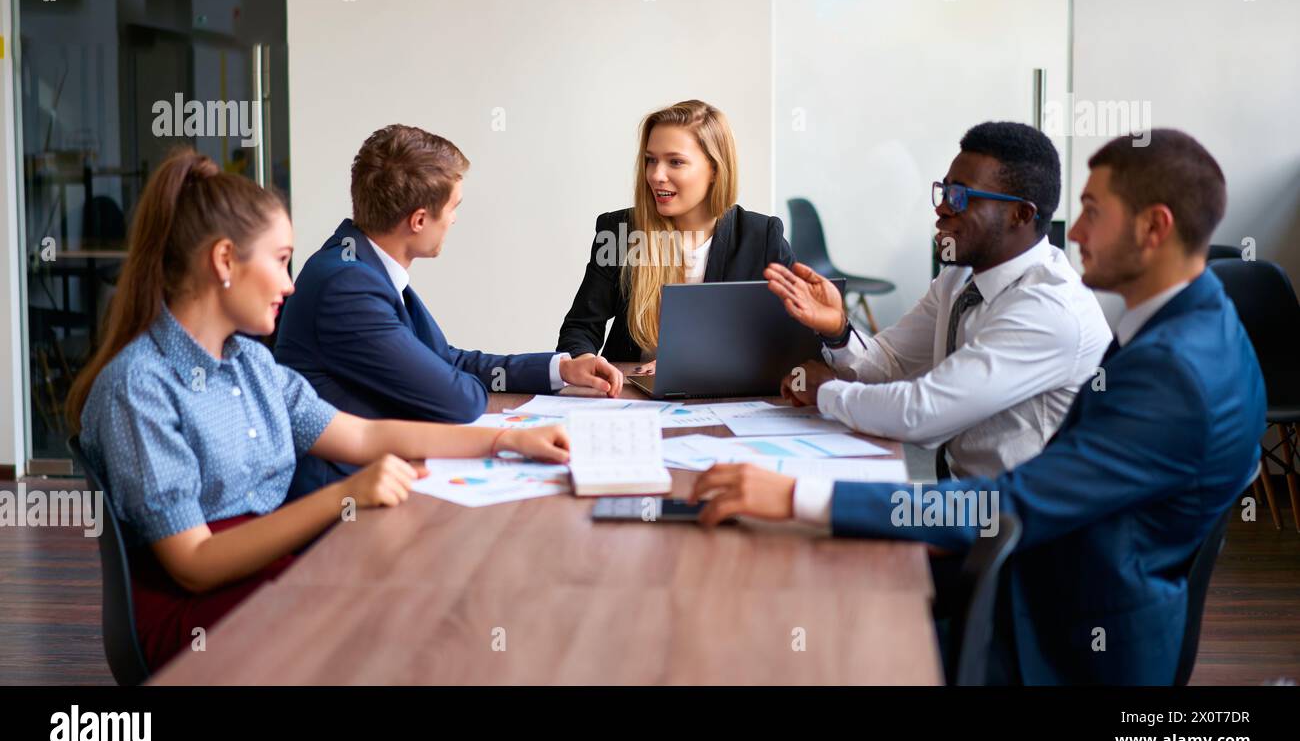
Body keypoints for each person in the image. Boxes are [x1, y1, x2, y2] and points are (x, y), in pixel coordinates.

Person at [692, 129, 1266, 685]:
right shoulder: (1197, 324)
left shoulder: (1166, 371)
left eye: (1093, 210)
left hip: (1057, 628)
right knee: (805, 583)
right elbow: (894, 369)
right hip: (1030, 557)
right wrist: (841, 332)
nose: (1075, 228)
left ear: (1154, 228)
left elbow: (1010, 502)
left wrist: (797, 495)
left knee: (818, 629)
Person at [69, 148, 569, 671]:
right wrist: (345, 495)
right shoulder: (139, 385)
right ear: (224, 262)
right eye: (281, 260)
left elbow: (363, 438)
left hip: (259, 571)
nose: (290, 283)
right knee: (413, 620)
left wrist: (503, 440)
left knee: (428, 599)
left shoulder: (248, 365)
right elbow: (194, 564)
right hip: (192, 614)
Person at [276, 124, 620, 498]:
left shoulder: (360, 262)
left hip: (385, 472)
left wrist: (561, 368)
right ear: (419, 220)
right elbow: (458, 399)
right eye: (453, 207)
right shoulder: (347, 286)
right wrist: (447, 378)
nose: (454, 219)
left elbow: (445, 359)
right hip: (342, 494)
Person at [766, 122, 1110, 478]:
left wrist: (825, 389)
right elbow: (891, 364)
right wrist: (838, 330)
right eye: (943, 191)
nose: (942, 209)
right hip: (964, 502)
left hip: (1030, 521)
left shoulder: (1049, 310)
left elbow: (921, 413)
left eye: (960, 196)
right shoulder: (958, 277)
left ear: (1020, 214)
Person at [558, 99, 793, 371]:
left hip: (721, 402)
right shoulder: (620, 231)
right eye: (651, 160)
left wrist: (687, 364)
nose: (656, 175)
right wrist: (584, 362)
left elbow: (789, 340)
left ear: (715, 169)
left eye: (675, 162)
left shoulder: (762, 237)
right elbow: (580, 329)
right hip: (633, 399)